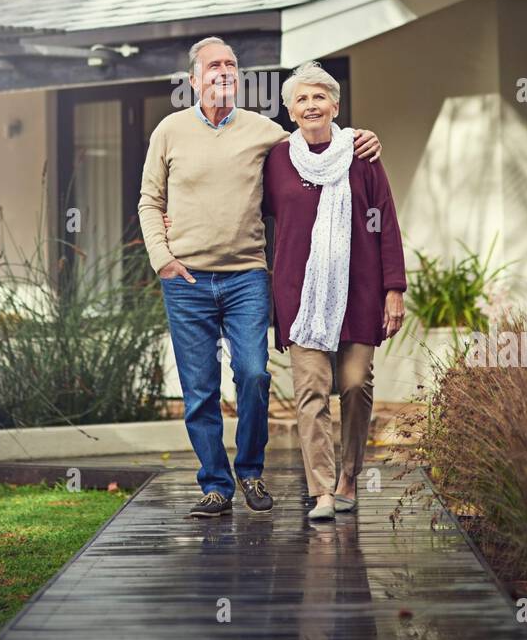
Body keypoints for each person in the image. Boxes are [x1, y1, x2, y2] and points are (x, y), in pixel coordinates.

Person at [138, 37, 382, 518]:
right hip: (185, 280)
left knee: (252, 375)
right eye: (213, 66)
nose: (223, 71)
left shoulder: (265, 132)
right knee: (200, 389)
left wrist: (362, 138)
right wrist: (161, 256)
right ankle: (215, 484)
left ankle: (250, 472)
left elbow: (317, 139)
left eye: (231, 64)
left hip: (247, 275)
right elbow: (150, 200)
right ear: (194, 80)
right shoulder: (168, 131)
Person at [262, 61, 407, 521]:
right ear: (289, 110)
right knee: (311, 391)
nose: (311, 105)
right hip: (299, 297)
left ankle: (350, 476)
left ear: (335, 106)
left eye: (319, 97)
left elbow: (385, 220)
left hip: (359, 293)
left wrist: (394, 288)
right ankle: (322, 491)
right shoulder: (278, 161)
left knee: (355, 385)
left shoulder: (361, 156)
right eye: (301, 99)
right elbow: (246, 214)